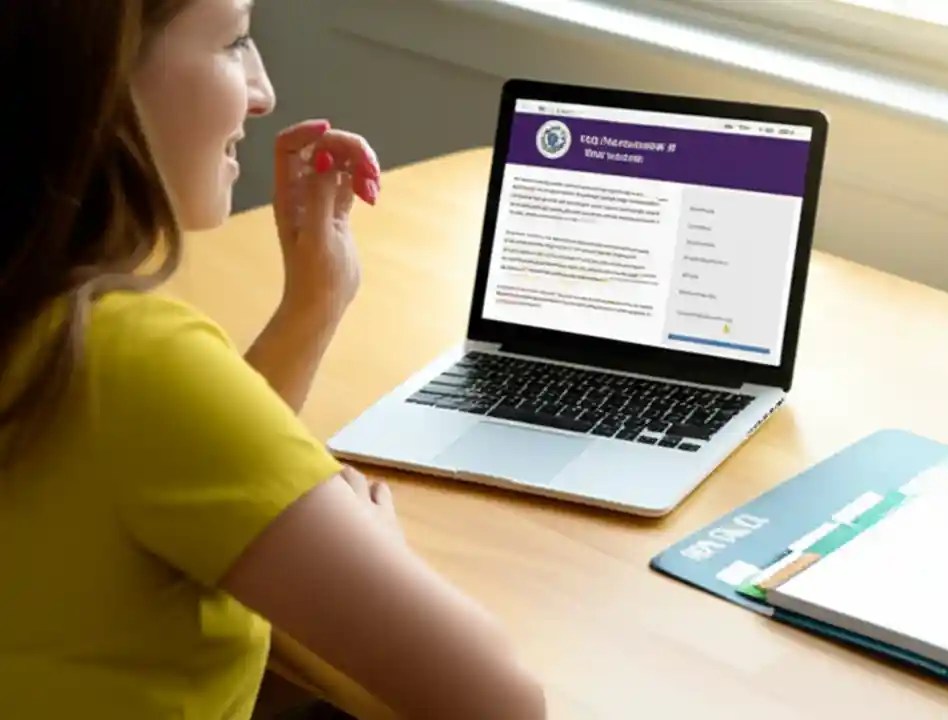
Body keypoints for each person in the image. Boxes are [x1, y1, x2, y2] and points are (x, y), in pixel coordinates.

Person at [0, 1, 547, 718]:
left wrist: (314, 303)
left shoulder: (37, 317)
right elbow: (501, 703)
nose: (263, 92)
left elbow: (163, 471)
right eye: (234, 41)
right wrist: (377, 552)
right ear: (104, 80)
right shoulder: (128, 361)